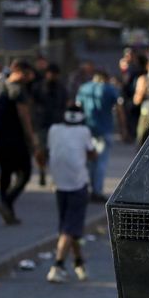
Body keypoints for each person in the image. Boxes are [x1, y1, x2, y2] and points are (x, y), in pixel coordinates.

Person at [45, 103, 96, 283]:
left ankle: (79, 263)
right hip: (78, 184)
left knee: (69, 226)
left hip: (59, 185)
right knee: (70, 227)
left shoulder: (54, 130)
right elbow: (92, 153)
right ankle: (57, 265)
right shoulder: (83, 132)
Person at [0, 61, 42, 225]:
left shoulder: (2, 85)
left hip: (0, 137)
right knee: (25, 172)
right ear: (20, 72)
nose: (31, 78)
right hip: (16, 138)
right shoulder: (18, 89)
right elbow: (24, 115)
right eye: (28, 74)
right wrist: (32, 138)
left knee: (5, 173)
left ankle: (8, 209)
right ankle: (6, 202)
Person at [75, 69, 122, 201]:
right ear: (105, 78)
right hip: (104, 129)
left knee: (90, 161)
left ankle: (89, 189)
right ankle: (97, 191)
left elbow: (78, 106)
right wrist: (124, 129)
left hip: (87, 129)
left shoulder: (84, 88)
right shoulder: (109, 89)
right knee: (101, 162)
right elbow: (119, 108)